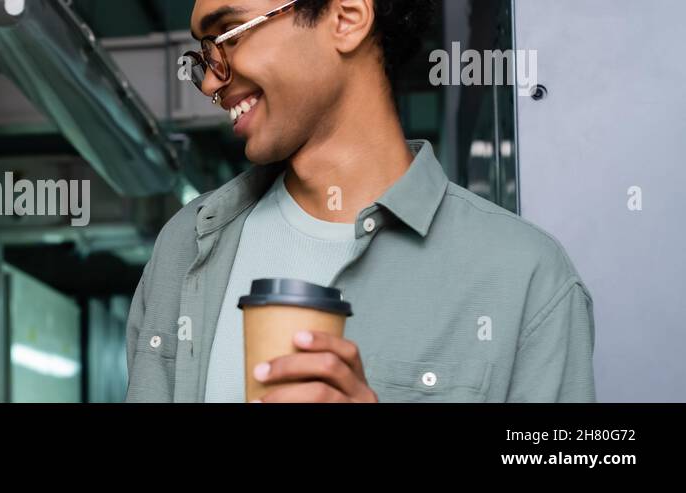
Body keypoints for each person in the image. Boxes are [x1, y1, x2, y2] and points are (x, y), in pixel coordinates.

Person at [125, 0, 595, 402]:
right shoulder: (183, 248)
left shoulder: (525, 277)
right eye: (203, 56)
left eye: (228, 34)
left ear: (346, 17)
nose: (210, 82)